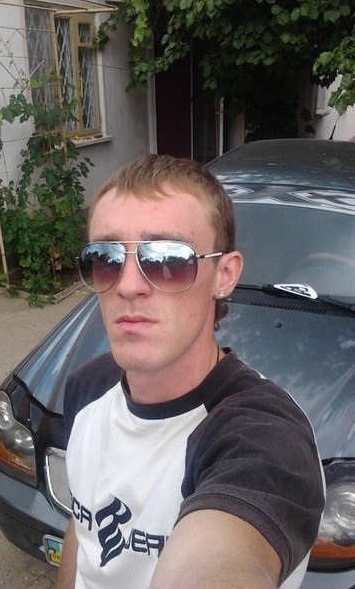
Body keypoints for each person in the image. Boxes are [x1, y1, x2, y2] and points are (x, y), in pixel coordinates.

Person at [57, 154, 325, 589]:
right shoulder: (87, 387)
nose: (127, 285)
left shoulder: (266, 437)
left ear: (224, 275)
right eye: (105, 258)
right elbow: (83, 522)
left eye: (167, 258)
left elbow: (221, 562)